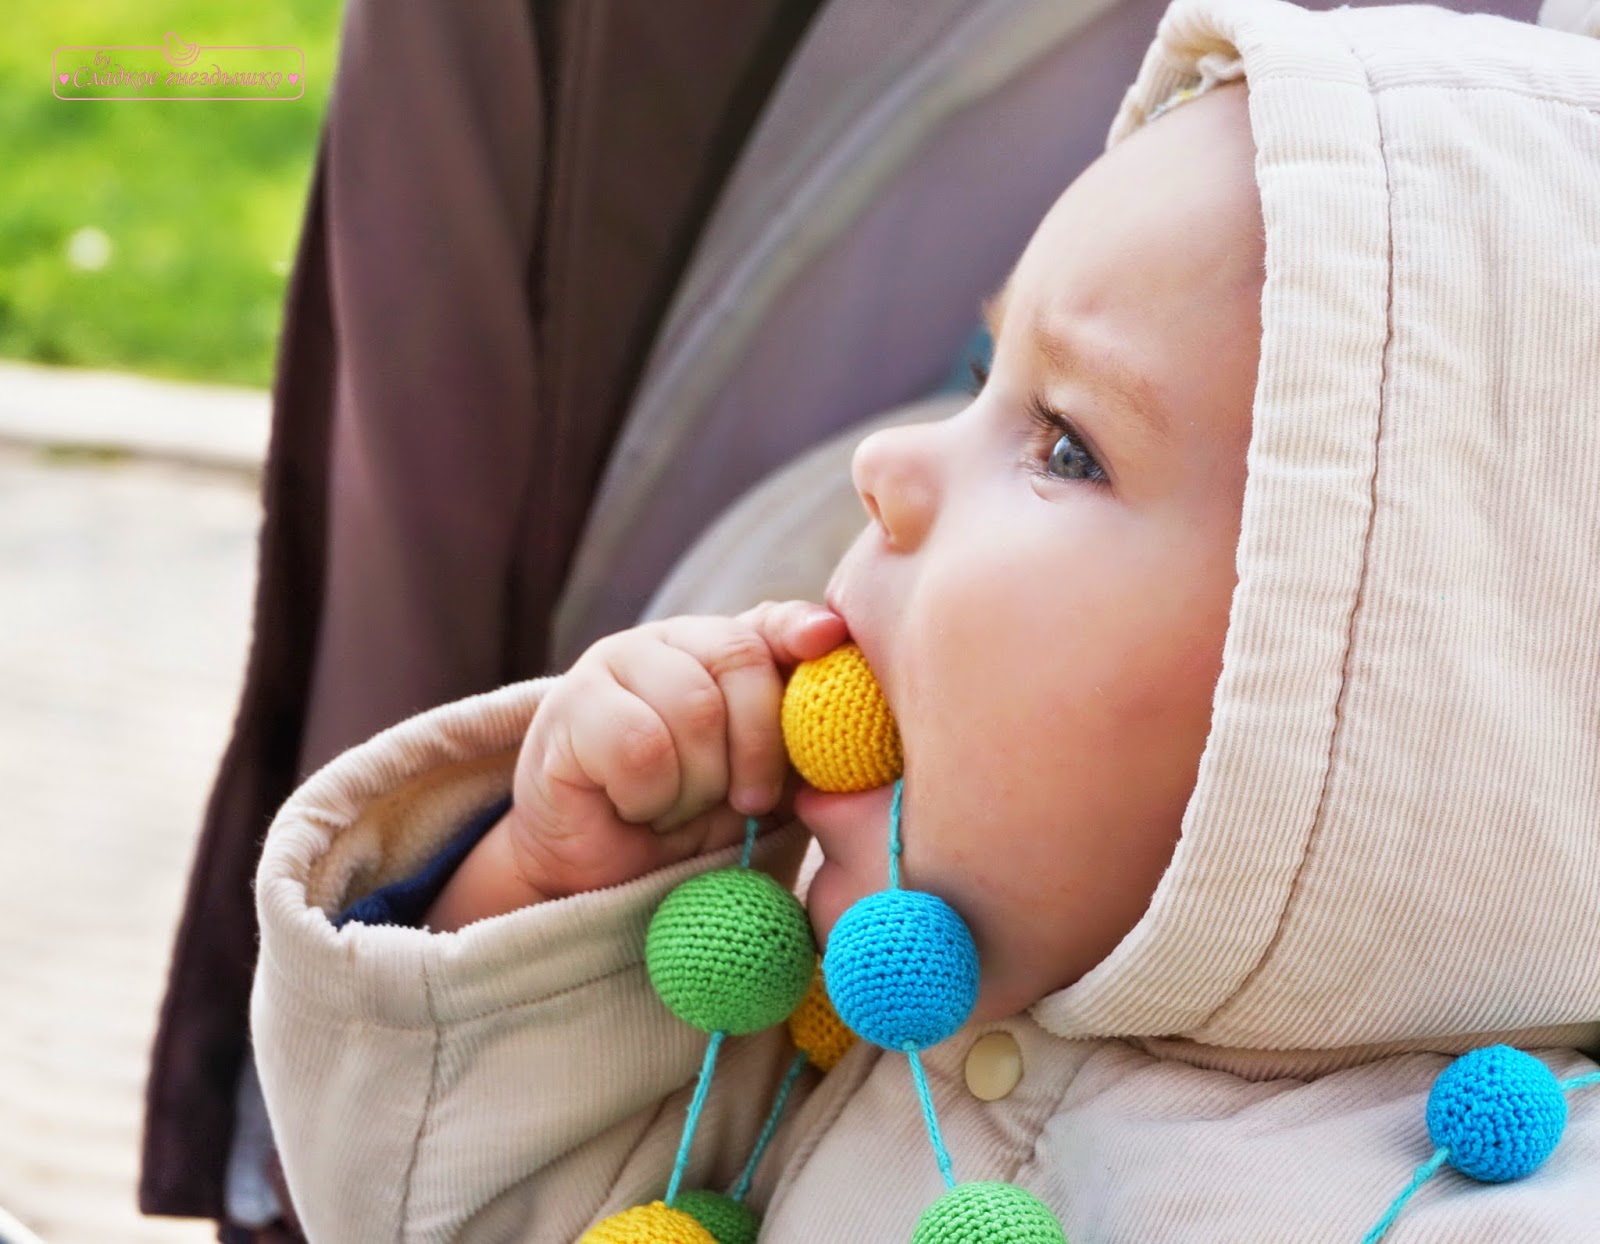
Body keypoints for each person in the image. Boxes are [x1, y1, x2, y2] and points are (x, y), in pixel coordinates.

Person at [249, 0, 1600, 1238]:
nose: (885, 463)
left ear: (1378, 708)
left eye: (1065, 444)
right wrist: (546, 894)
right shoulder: (813, 1022)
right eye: (979, 376)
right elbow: (430, 1207)